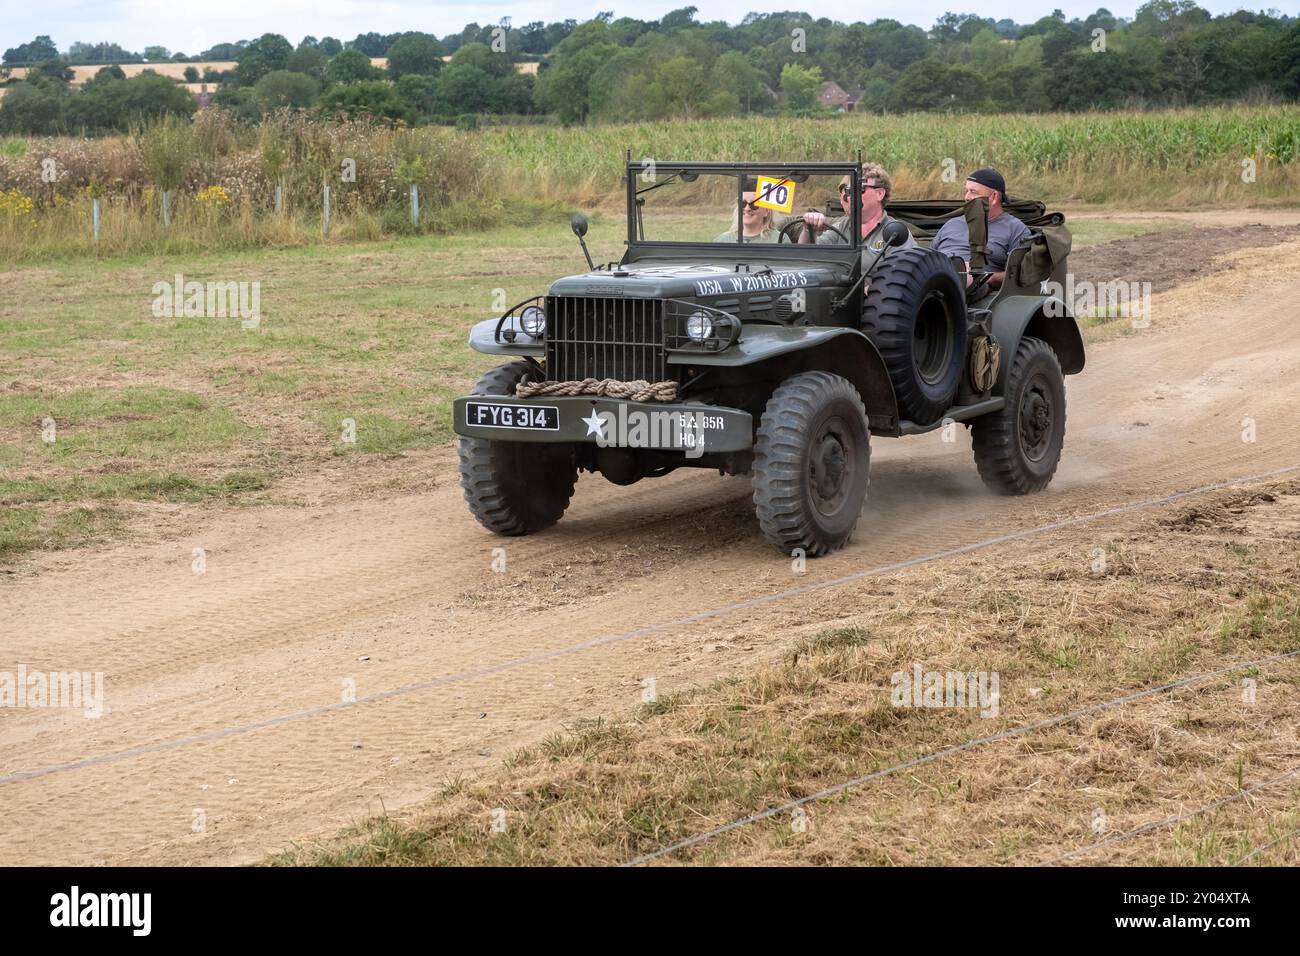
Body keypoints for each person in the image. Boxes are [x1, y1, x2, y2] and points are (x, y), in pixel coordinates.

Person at [931, 167, 1031, 290]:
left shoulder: (1015, 229)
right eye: (966, 191)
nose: (967, 197)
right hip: (933, 279)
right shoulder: (951, 224)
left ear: (994, 197)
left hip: (974, 289)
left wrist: (984, 277)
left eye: (973, 192)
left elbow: (1022, 275)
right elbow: (930, 258)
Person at [798, 162, 916, 252]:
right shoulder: (841, 228)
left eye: (860, 189)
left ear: (879, 194)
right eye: (849, 191)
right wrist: (808, 230)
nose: (850, 197)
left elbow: (901, 275)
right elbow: (807, 258)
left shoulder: (895, 233)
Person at [714, 188, 780, 243]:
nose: (747, 208)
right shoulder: (723, 240)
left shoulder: (779, 240)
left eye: (754, 204)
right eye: (743, 203)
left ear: (766, 211)